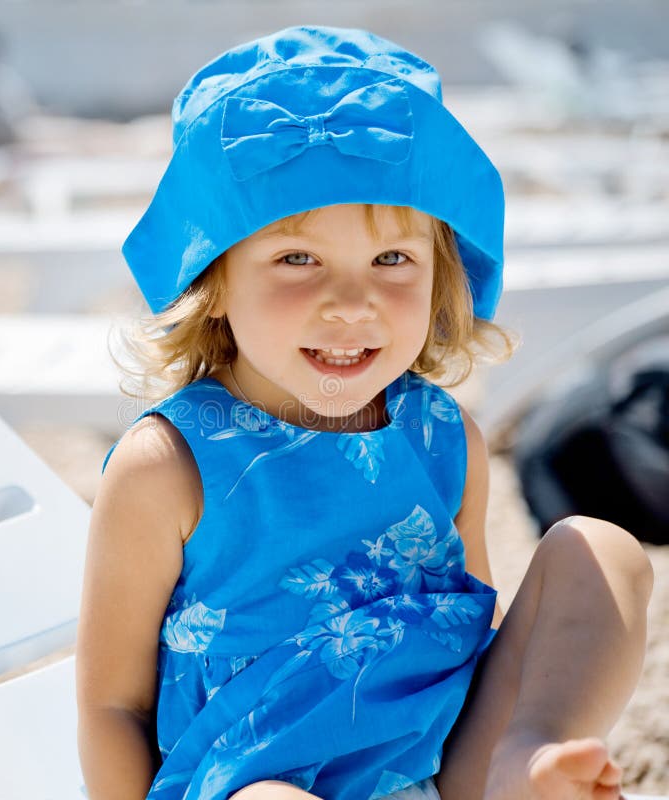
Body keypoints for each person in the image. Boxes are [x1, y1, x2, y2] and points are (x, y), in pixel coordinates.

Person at [75, 26, 654, 800]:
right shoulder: (170, 466)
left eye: (392, 261)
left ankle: (529, 759)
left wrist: (504, 729)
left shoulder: (443, 437)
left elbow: (464, 632)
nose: (351, 303)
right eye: (296, 259)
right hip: (260, 780)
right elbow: (113, 702)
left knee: (601, 548)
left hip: (447, 765)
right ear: (215, 282)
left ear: (439, 276)